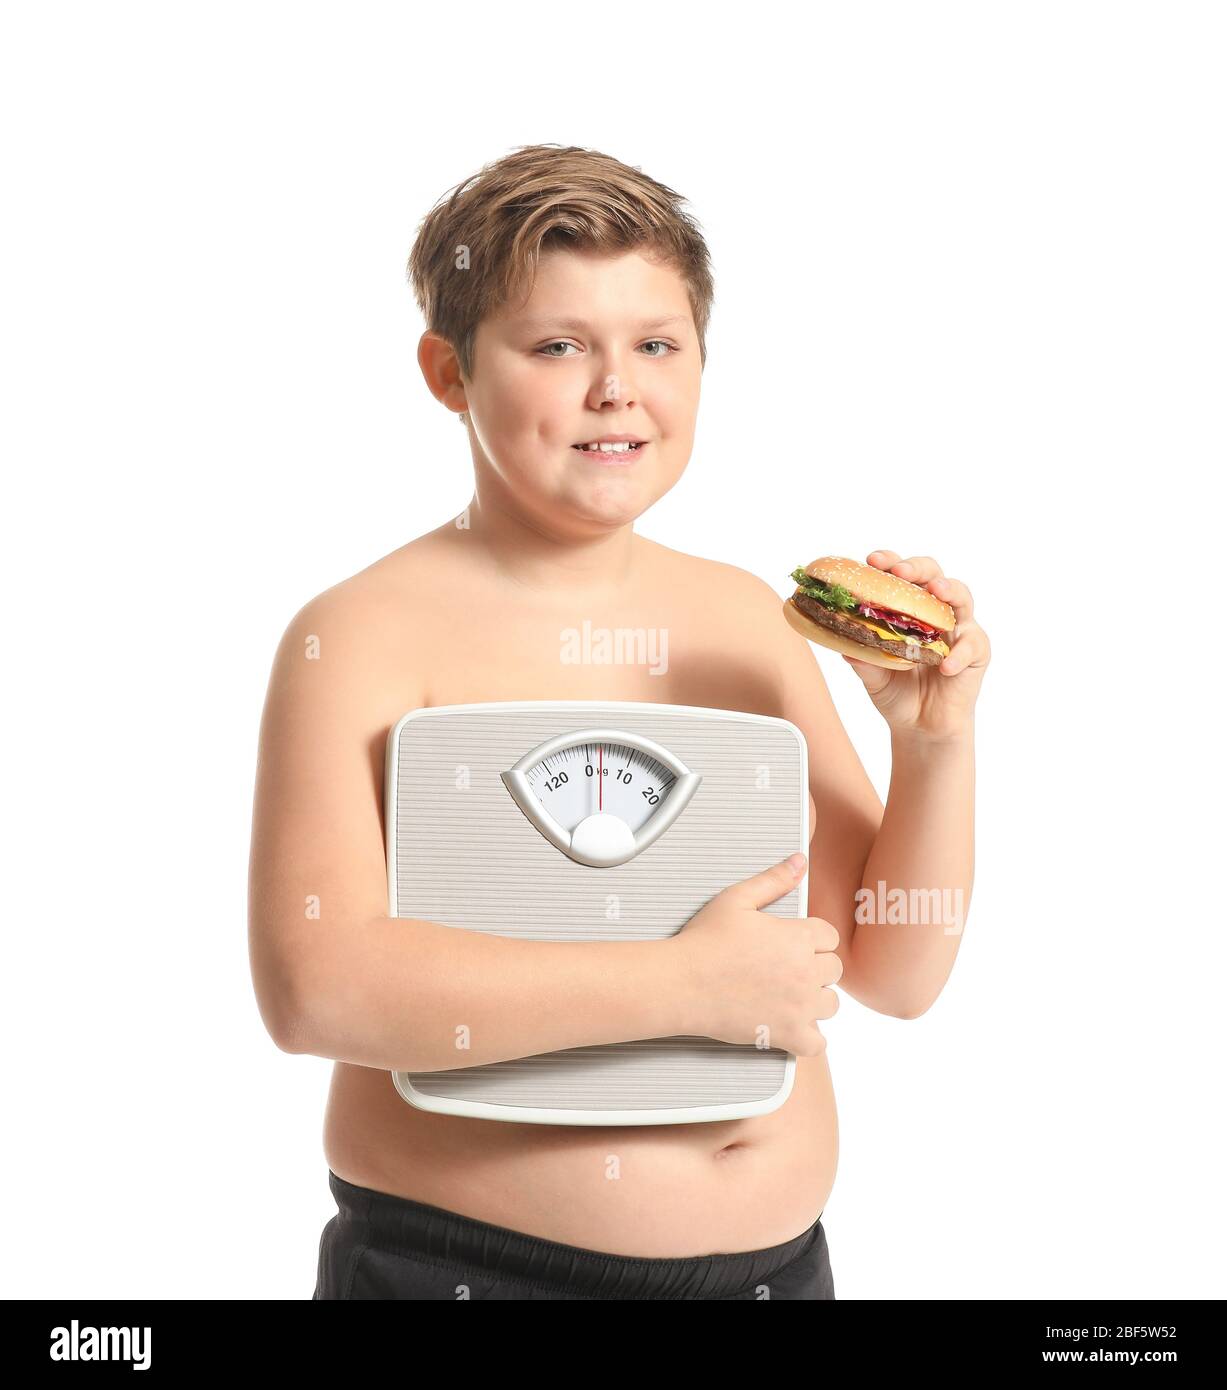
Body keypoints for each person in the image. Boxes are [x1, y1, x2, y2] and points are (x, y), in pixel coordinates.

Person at [246, 143, 991, 1300]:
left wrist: (934, 743)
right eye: (558, 346)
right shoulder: (359, 635)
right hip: (467, 1268)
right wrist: (685, 988)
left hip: (778, 1268)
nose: (617, 389)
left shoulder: (745, 620)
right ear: (448, 372)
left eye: (657, 344)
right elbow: (316, 989)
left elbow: (893, 970)